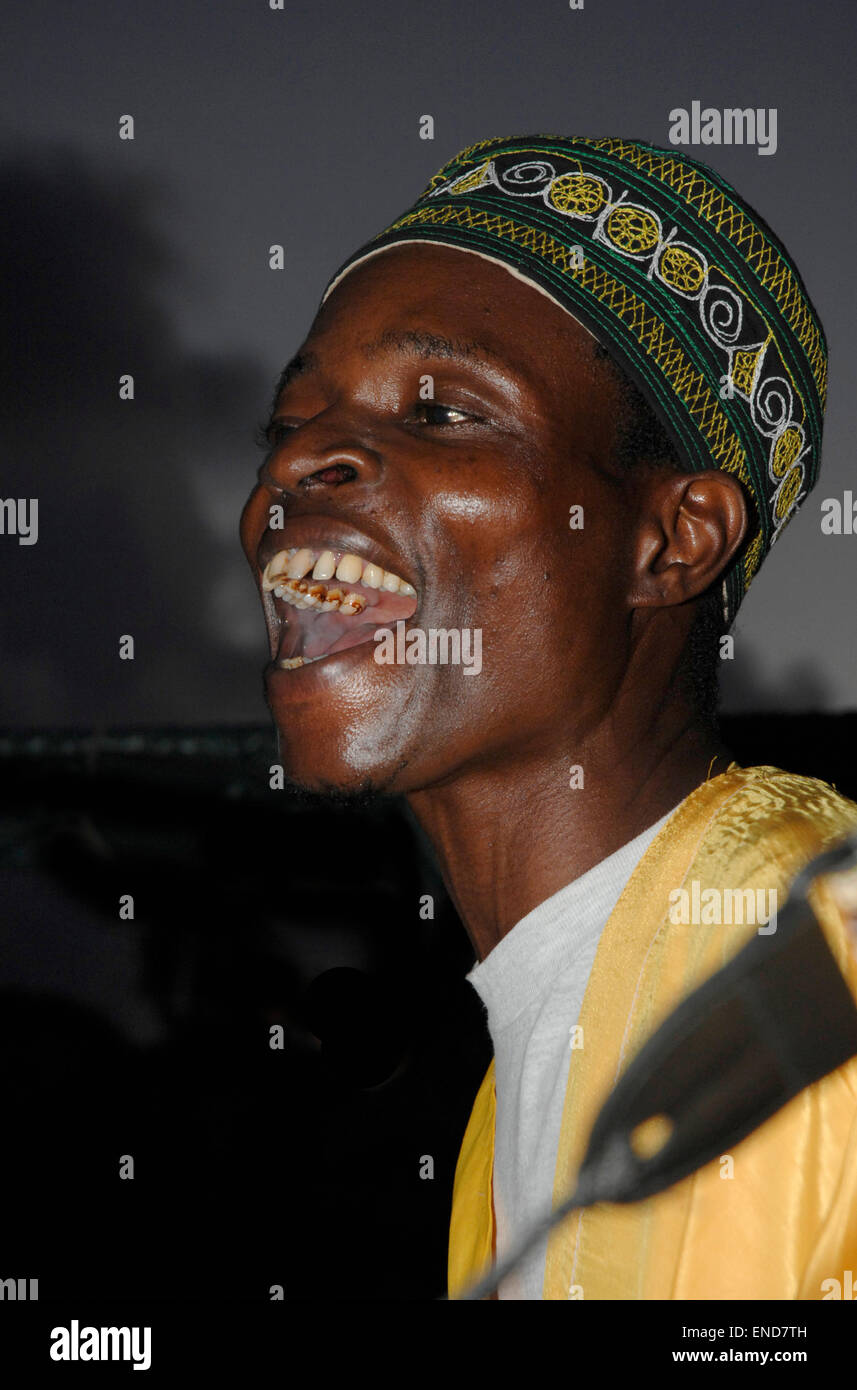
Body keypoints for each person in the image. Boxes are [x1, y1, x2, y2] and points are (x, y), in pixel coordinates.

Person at [240, 135, 857, 1300]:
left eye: (442, 412)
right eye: (285, 424)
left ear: (670, 542)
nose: (302, 460)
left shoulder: (810, 986)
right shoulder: (509, 1086)